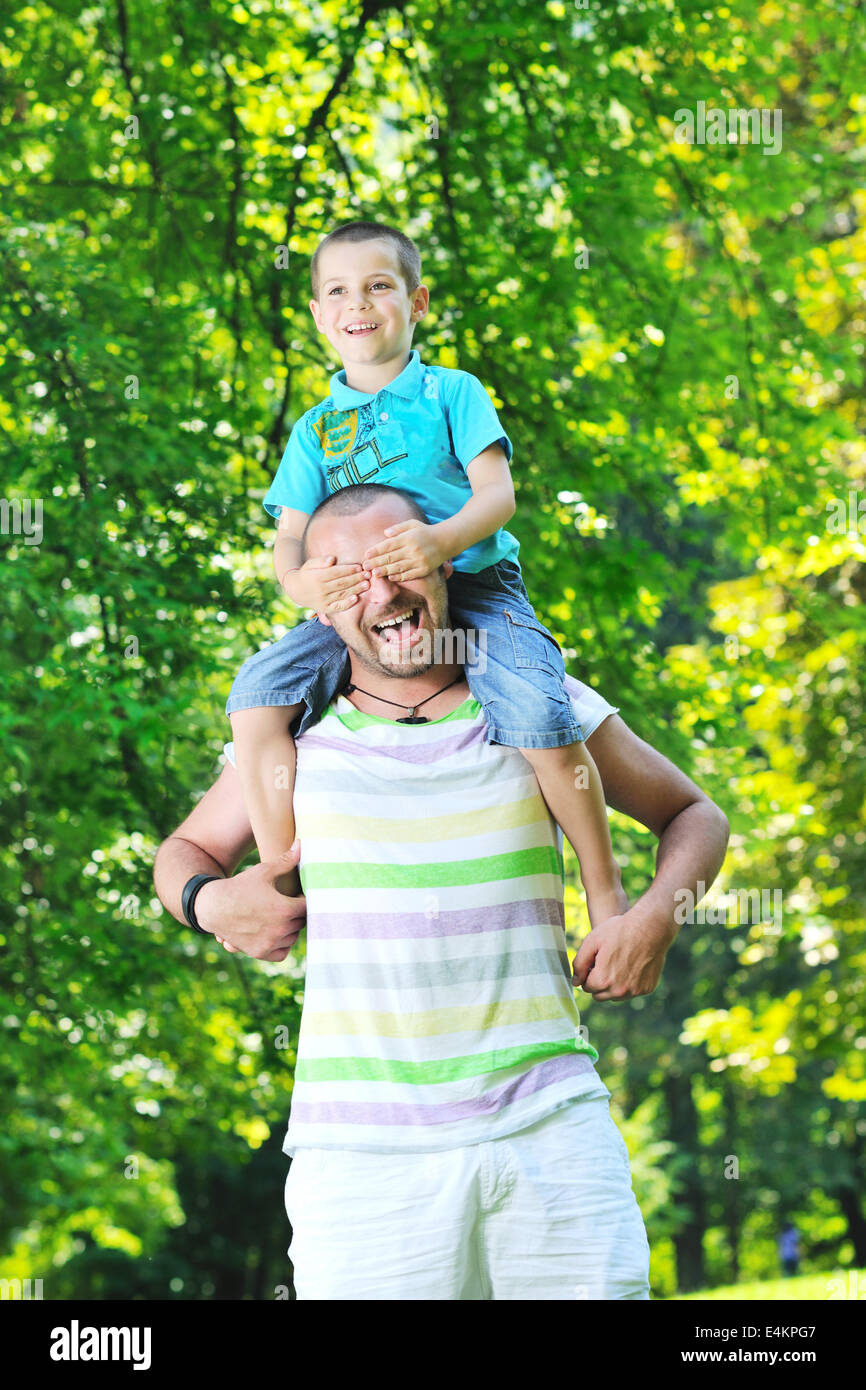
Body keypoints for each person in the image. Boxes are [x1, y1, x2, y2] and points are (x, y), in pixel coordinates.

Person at [154, 486, 730, 1301]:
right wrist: (210, 903)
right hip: (361, 1160)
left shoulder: (542, 708)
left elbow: (696, 815)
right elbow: (181, 853)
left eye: (397, 563)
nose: (382, 595)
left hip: (552, 1130)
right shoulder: (289, 737)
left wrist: (653, 921)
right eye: (349, 578)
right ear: (319, 602)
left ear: (445, 562)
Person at [226, 218, 625, 934]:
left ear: (417, 302)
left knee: (539, 715)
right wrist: (300, 586)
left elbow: (497, 496)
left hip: (473, 588)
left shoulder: (452, 393)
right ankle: (282, 881)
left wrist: (439, 539)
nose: (360, 303)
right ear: (320, 315)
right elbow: (288, 539)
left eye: (380, 286)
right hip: (362, 603)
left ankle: (604, 896)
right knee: (256, 695)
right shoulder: (314, 429)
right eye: (340, 291)